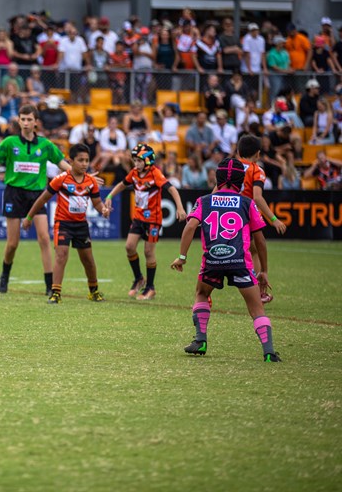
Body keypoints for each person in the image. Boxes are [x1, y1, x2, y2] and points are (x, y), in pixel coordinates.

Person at [0, 105, 72, 295]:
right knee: (12, 243)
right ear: (18, 121)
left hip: (37, 195)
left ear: (36, 122)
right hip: (14, 194)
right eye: (22, 119)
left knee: (44, 238)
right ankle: (5, 276)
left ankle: (50, 285)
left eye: (29, 119)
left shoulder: (46, 145)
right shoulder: (9, 143)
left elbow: (64, 166)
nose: (25, 123)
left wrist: (85, 178)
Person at [171, 158, 281, 362]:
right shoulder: (247, 203)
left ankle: (200, 340)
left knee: (201, 293)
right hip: (241, 262)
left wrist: (182, 257)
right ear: (241, 182)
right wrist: (263, 270)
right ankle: (269, 352)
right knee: (257, 307)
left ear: (217, 179)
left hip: (212, 261)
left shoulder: (203, 201)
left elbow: (189, 227)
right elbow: (260, 240)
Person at [22, 143, 107, 304]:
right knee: (61, 255)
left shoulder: (91, 182)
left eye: (86, 160)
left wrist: (103, 210)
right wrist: (29, 217)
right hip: (63, 223)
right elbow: (42, 199)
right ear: (71, 161)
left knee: (88, 260)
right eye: (80, 160)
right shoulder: (61, 179)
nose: (84, 164)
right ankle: (55, 293)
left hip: (81, 225)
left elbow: (97, 203)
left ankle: (94, 290)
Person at [102, 144, 187, 300]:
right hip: (138, 218)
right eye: (134, 160)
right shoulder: (134, 173)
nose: (136, 164)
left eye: (139, 161)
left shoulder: (156, 174)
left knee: (149, 252)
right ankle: (139, 278)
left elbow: (172, 189)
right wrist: (109, 197)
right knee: (129, 247)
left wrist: (180, 208)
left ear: (148, 161)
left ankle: (150, 287)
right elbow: (122, 185)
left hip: (153, 220)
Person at [236, 135, 286, 302]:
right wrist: (274, 219)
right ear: (258, 154)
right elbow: (257, 197)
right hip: (246, 214)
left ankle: (204, 293)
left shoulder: (231, 166)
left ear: (238, 151)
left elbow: (217, 189)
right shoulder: (257, 170)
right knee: (255, 248)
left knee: (247, 250)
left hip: (228, 213)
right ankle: (258, 291)